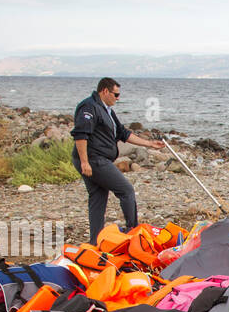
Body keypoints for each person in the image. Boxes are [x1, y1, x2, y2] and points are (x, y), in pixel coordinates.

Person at [70, 77, 164, 239]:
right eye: (116, 95)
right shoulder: (89, 107)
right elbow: (80, 135)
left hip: (98, 159)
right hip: (94, 159)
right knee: (126, 190)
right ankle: (133, 230)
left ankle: (96, 241)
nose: (118, 98)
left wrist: (149, 144)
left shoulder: (106, 109)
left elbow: (123, 133)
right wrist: (85, 162)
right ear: (105, 91)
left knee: (98, 197)